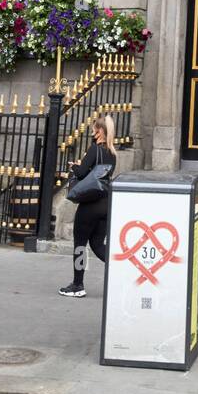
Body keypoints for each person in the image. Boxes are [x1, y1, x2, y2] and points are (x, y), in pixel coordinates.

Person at [59, 114, 117, 298]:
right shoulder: (112, 153)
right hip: (105, 203)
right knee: (98, 245)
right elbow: (101, 175)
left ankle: (78, 284)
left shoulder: (95, 149)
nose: (92, 131)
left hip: (90, 205)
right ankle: (122, 269)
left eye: (94, 128)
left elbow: (83, 173)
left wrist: (74, 166)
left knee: (80, 246)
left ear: (100, 131)